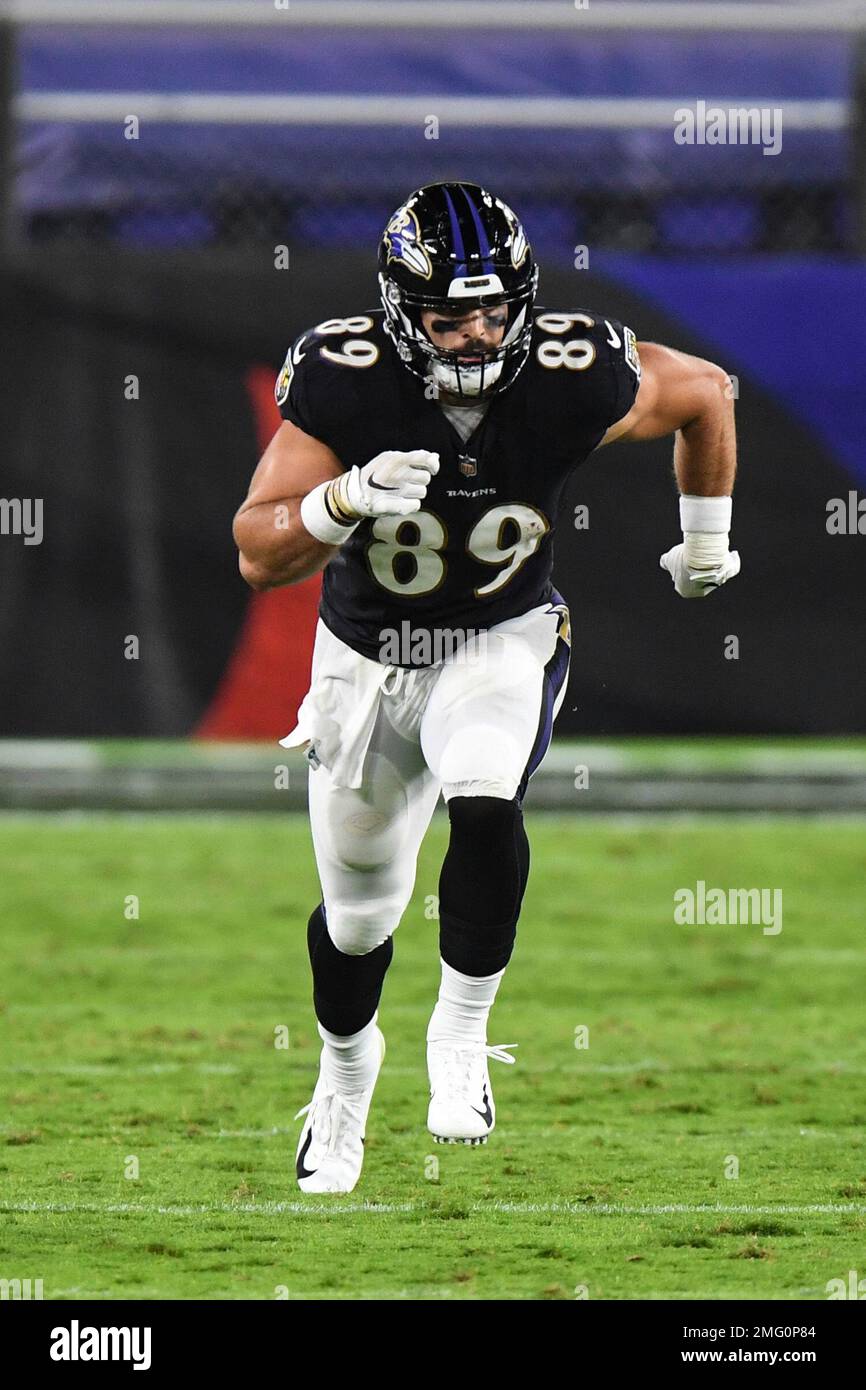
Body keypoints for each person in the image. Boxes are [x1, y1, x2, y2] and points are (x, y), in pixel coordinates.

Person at [233, 181, 740, 1193]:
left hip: (496, 638)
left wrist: (704, 543)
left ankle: (460, 1036)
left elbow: (703, 392)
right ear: (397, 310)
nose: (473, 334)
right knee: (359, 917)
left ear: (523, 301)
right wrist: (338, 502)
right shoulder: (348, 378)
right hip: (367, 660)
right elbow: (257, 550)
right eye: (447, 315)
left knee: (481, 791)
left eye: (492, 310)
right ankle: (343, 1075)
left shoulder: (567, 370)